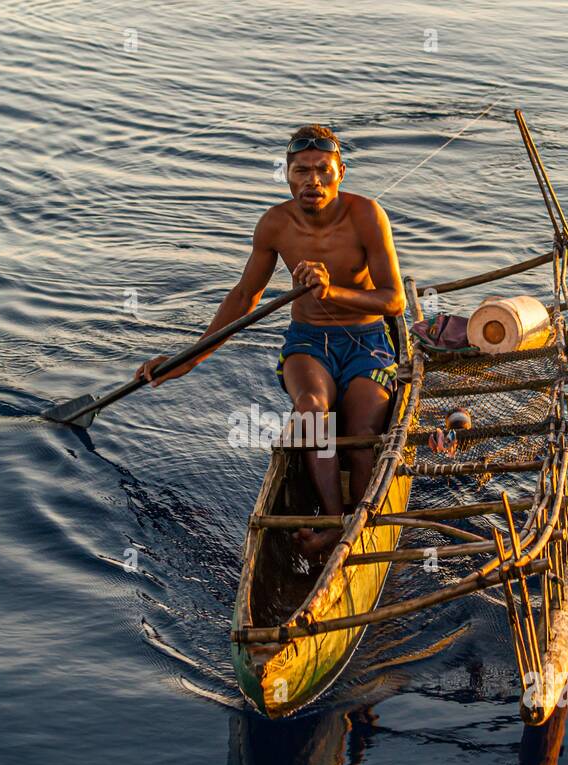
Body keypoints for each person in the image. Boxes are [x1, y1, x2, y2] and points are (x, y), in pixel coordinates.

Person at [136, 125, 405, 559]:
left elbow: (394, 301)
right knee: (312, 411)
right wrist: (188, 360)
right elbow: (245, 296)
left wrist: (331, 292)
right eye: (301, 171)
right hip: (309, 344)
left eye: (323, 170)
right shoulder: (275, 225)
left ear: (340, 173)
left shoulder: (367, 215)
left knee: (361, 435)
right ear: (287, 175)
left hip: (367, 342)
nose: (312, 181)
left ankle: (354, 523)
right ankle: (333, 521)